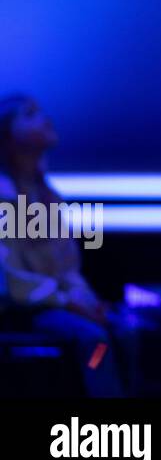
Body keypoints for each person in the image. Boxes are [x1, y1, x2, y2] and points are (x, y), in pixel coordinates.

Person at [0, 94, 139, 396]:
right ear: (7, 137)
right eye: (29, 114)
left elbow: (66, 267)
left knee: (127, 330)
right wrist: (68, 303)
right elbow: (12, 282)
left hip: (58, 302)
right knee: (95, 340)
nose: (45, 119)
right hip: (22, 308)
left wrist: (87, 300)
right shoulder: (3, 198)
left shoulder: (48, 196)